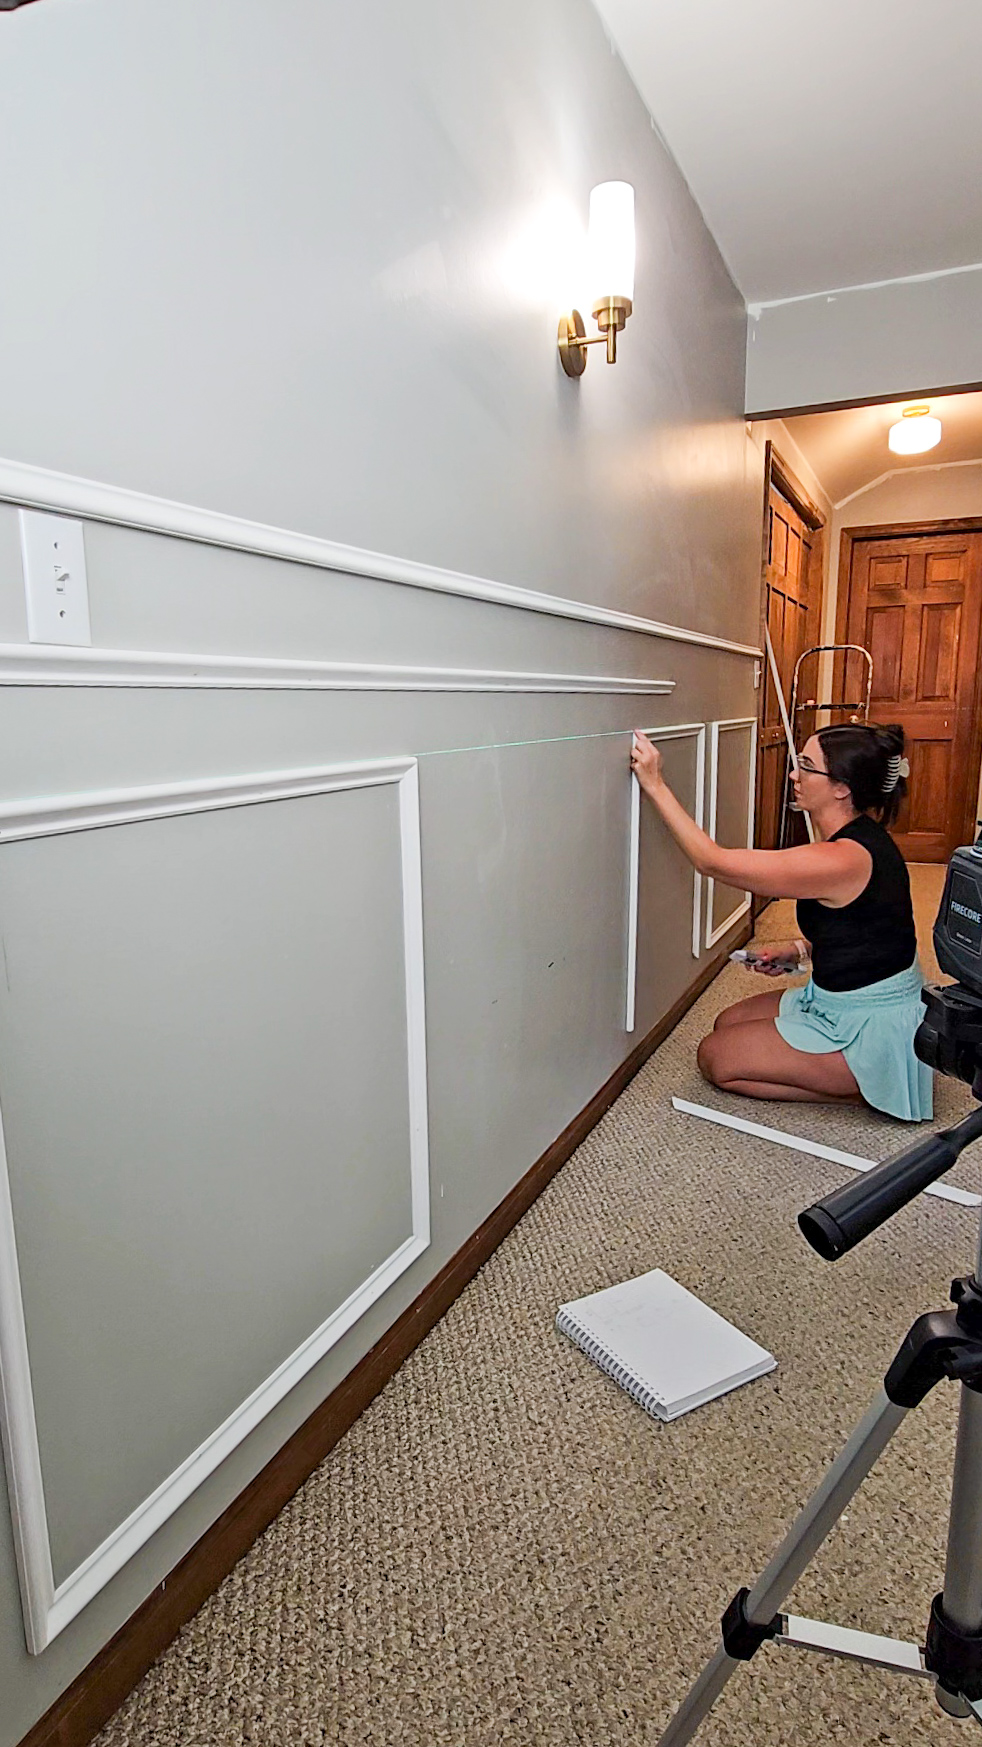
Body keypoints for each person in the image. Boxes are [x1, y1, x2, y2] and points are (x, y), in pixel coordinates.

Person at [630, 722, 932, 1121]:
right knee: (727, 1023)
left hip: (870, 1021)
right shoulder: (850, 840)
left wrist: (655, 783)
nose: (794, 773)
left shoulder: (842, 857)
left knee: (716, 1058)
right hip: (837, 997)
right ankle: (848, 1072)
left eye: (807, 766)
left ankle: (870, 1083)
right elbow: (870, 925)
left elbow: (712, 862)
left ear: (842, 787)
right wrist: (799, 949)